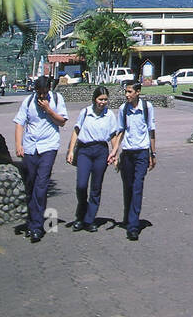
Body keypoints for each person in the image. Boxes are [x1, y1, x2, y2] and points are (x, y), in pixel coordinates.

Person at [13, 75, 68, 243]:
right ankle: (31, 221)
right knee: (30, 185)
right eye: (39, 93)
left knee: (41, 184)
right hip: (30, 147)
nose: (42, 96)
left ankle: (37, 227)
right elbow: (19, 123)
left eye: (45, 93)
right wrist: (18, 145)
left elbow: (62, 122)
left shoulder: (57, 100)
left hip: (48, 147)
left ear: (49, 90)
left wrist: (48, 110)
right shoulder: (28, 102)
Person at [109, 80, 156, 241]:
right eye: (126, 92)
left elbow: (151, 132)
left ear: (138, 92)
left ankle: (133, 226)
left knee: (137, 187)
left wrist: (153, 154)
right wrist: (114, 152)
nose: (127, 95)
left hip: (142, 153)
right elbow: (120, 132)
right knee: (128, 187)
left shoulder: (147, 108)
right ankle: (128, 216)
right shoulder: (123, 109)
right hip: (127, 154)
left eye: (130, 92)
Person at [65, 85, 116, 232]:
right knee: (81, 185)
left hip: (101, 151)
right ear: (94, 99)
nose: (103, 102)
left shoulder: (110, 115)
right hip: (84, 151)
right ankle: (80, 215)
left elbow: (113, 135)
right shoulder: (85, 112)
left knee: (96, 186)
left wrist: (115, 153)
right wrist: (70, 151)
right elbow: (76, 130)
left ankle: (89, 219)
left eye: (106, 99)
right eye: (100, 99)